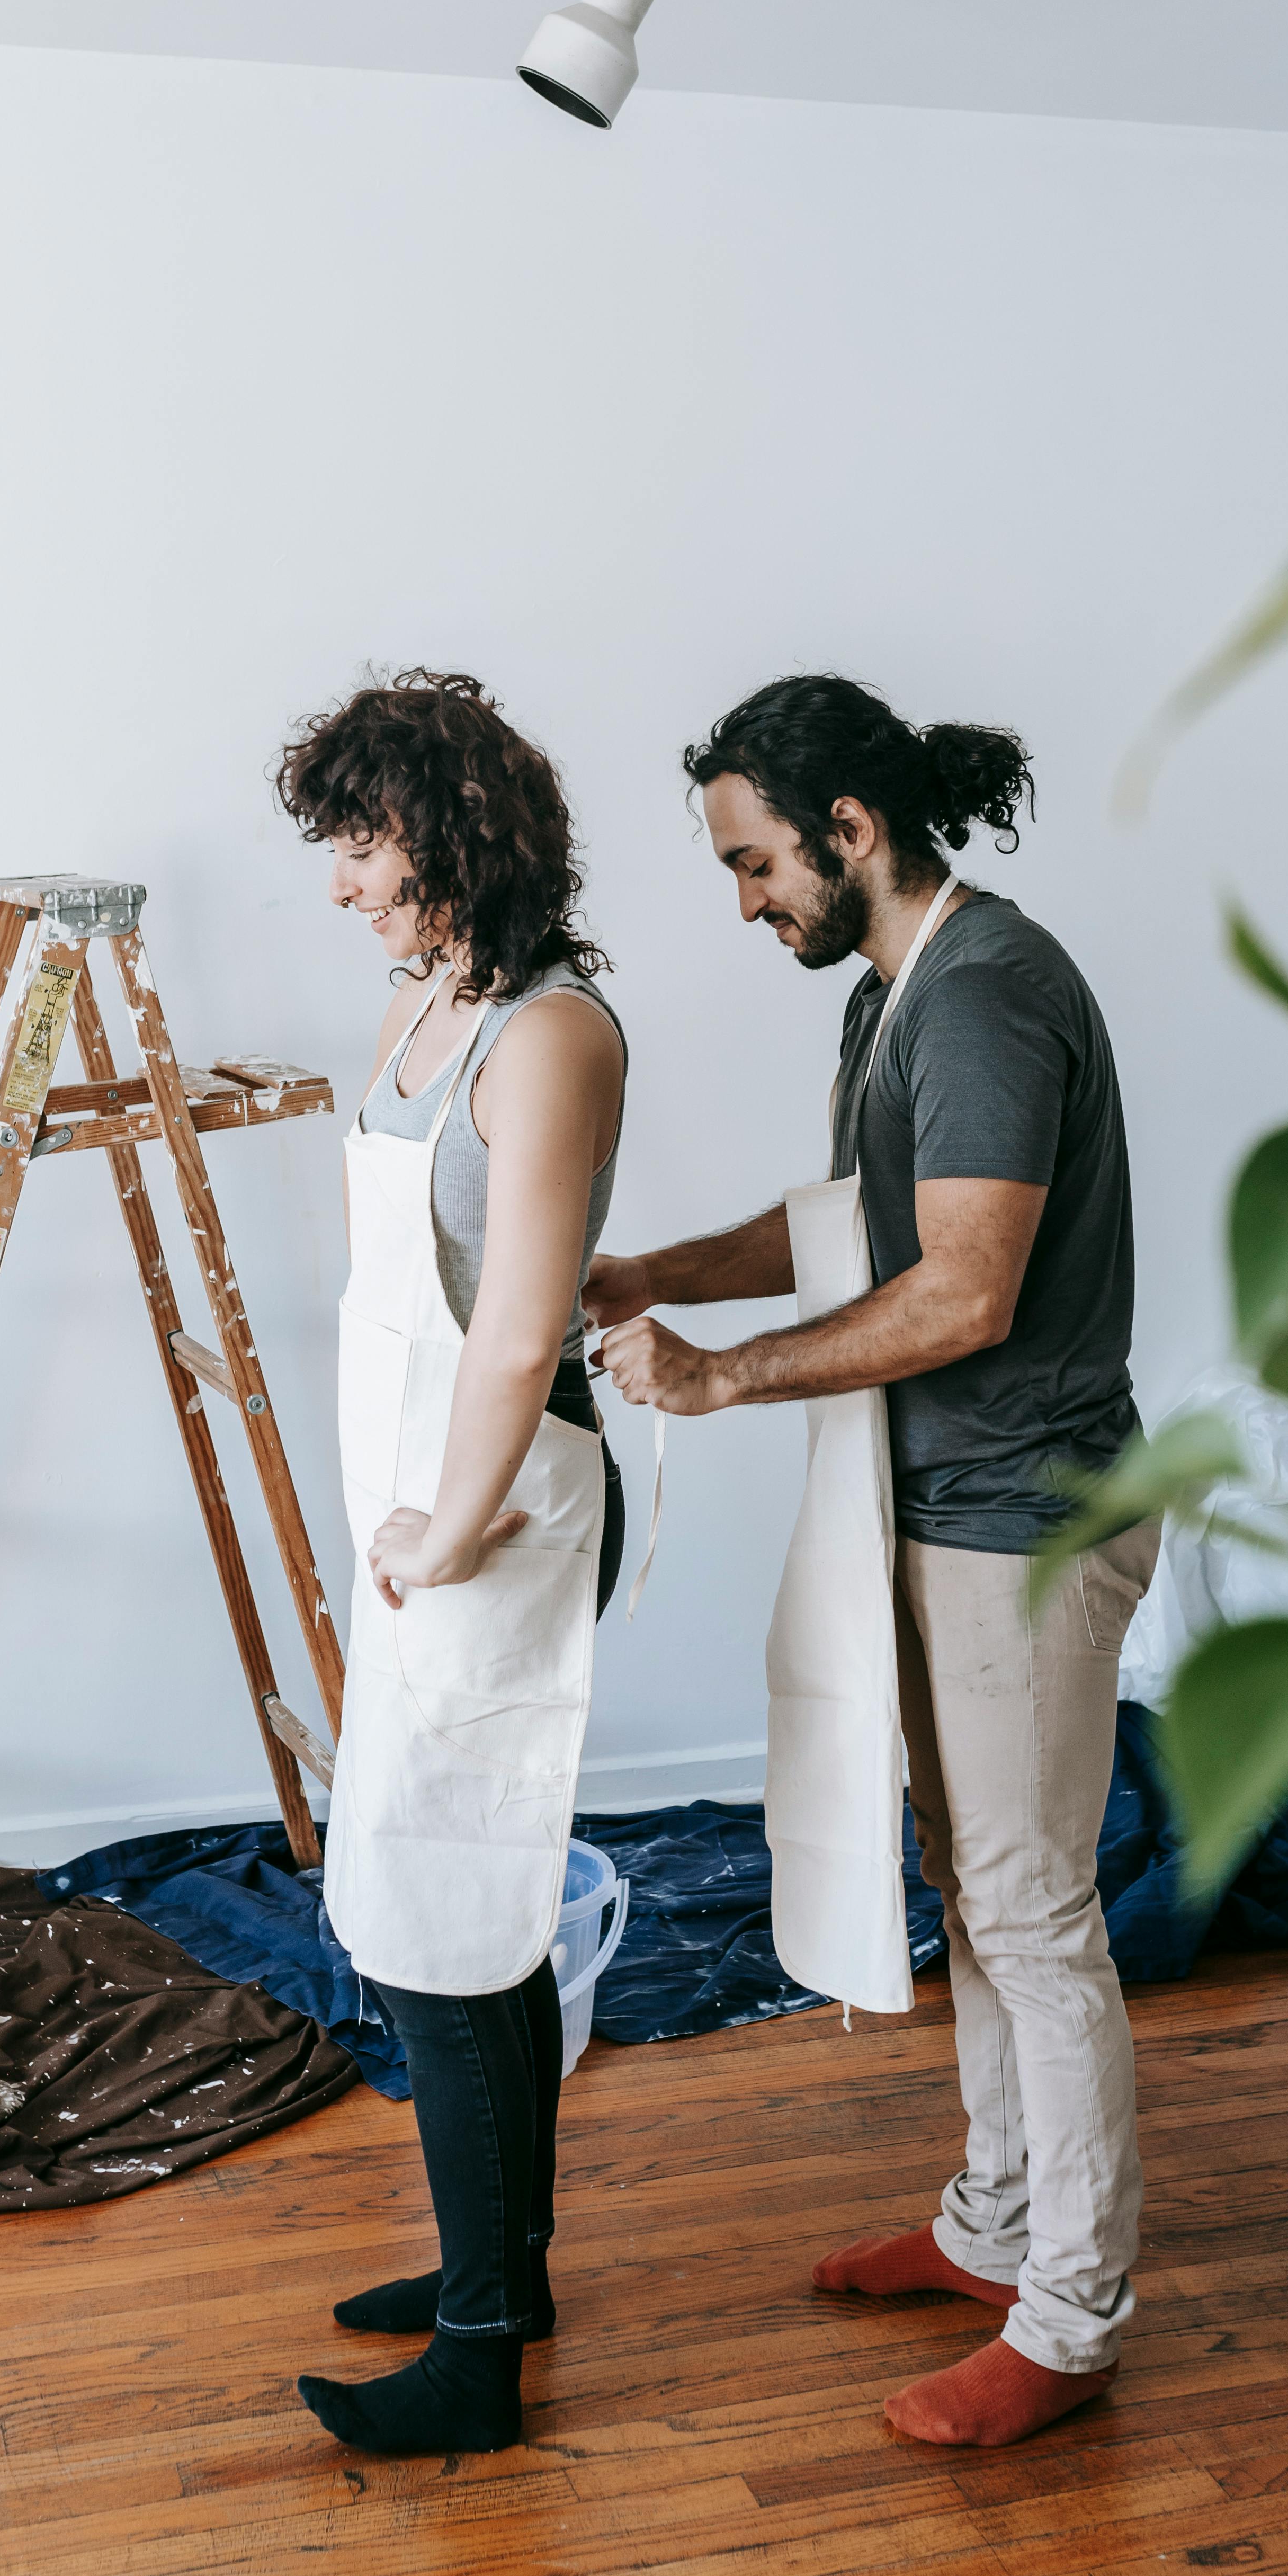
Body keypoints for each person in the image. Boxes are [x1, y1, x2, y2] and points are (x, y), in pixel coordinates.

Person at [593, 673, 1158, 2451]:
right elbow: (848, 1227)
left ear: (854, 830)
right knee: (971, 1884)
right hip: (940, 1507)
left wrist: (719, 1375)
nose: (746, 903)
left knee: (1034, 1914)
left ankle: (1072, 2320)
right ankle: (996, 2226)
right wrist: (646, 1278)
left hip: (1028, 1518)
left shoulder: (989, 995)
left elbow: (964, 1289)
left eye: (758, 864)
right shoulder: (887, 999)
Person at [276, 668, 628, 2457]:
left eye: (360, 843)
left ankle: (482, 2350)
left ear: (451, 834)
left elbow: (516, 1332)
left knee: (454, 1918)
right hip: (426, 1513)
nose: (339, 883)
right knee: (436, 1893)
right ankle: (507, 2264)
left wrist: (462, 1523)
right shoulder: (430, 1000)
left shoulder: (549, 1037)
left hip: (508, 1504)